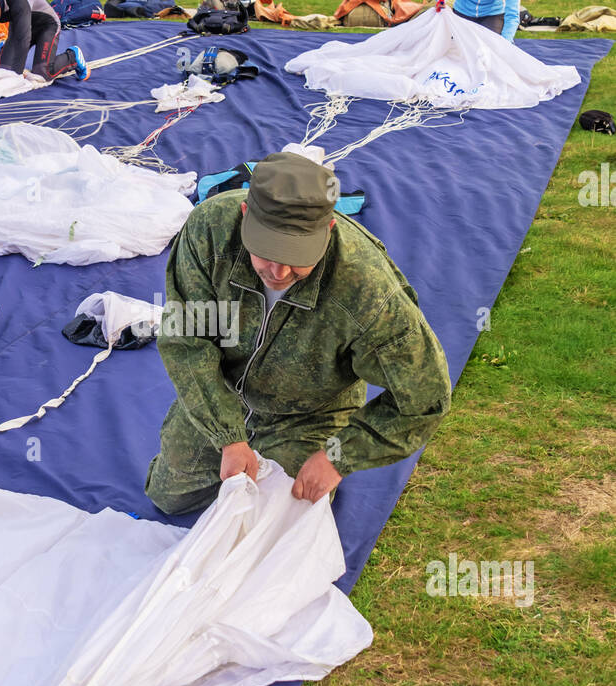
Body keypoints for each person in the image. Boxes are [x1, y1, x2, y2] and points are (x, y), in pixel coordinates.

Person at [146, 151, 452, 514]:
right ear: (245, 216)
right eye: (266, 251)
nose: (279, 271)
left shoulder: (368, 289)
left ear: (329, 229)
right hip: (224, 387)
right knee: (168, 498)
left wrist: (339, 456)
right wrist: (228, 436)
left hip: (309, 412)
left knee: (280, 520)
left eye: (296, 256)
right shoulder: (209, 230)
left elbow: (425, 398)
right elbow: (187, 339)